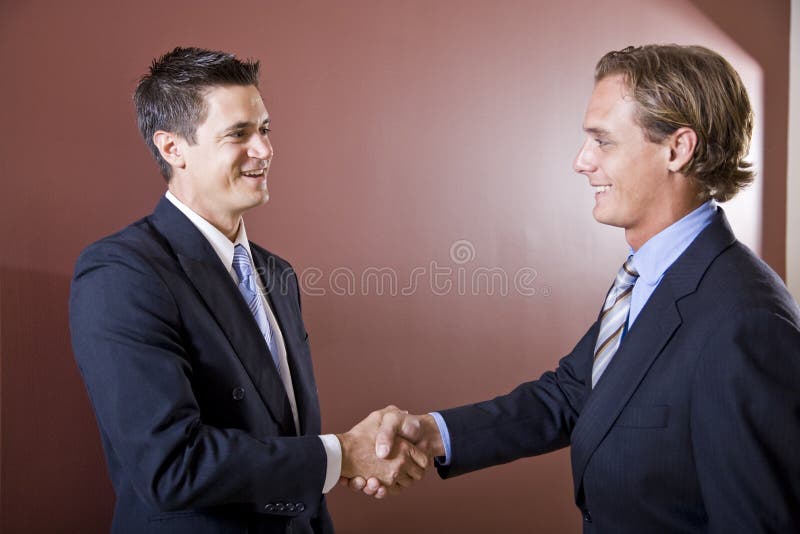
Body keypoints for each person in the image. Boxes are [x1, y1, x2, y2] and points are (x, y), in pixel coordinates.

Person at [357, 45, 800, 532]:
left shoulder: (746, 322)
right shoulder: (648, 275)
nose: (581, 161)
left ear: (677, 149)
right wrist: (429, 434)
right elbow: (573, 394)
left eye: (602, 141)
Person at [69, 47, 426, 534]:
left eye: (265, 129)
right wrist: (343, 454)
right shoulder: (122, 272)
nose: (264, 149)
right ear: (172, 148)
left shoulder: (278, 273)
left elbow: (286, 438)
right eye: (238, 134)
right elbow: (171, 465)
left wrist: (345, 461)